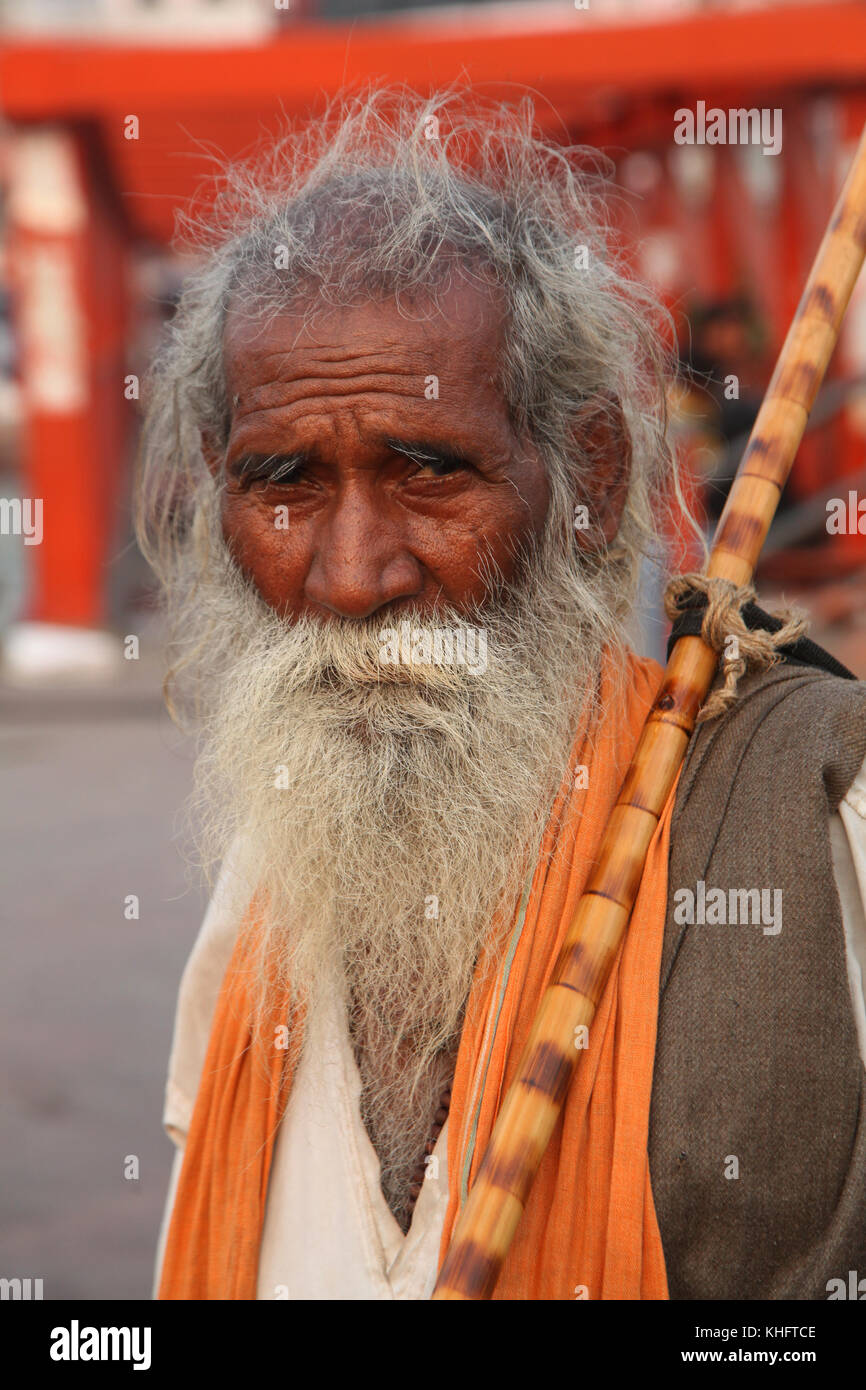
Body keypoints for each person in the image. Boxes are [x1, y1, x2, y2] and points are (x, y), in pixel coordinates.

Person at [139, 89, 866, 1301]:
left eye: (428, 473)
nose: (354, 576)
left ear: (587, 476)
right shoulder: (273, 861)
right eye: (285, 483)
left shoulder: (824, 812)